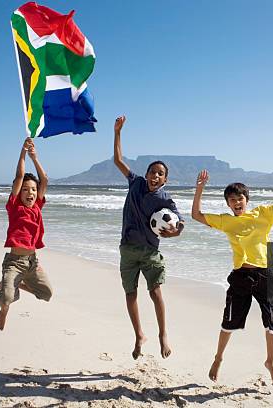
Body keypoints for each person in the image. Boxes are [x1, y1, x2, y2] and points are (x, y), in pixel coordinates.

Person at [191, 167, 273, 385]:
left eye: (239, 198)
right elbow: (196, 215)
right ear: (228, 204)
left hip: (264, 275)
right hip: (241, 276)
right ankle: (218, 357)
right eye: (232, 200)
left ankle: (270, 362)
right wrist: (200, 189)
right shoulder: (225, 221)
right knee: (229, 321)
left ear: (246, 199)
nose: (236, 202)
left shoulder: (263, 213)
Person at [113, 115, 185, 359]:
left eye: (160, 174)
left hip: (150, 252)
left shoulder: (165, 199)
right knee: (130, 294)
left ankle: (163, 334)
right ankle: (139, 334)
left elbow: (179, 223)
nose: (155, 176)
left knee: (155, 293)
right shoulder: (135, 183)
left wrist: (175, 232)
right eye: (152, 172)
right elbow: (118, 160)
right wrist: (118, 132)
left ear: (165, 179)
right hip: (128, 249)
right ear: (146, 174)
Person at [0, 138, 52, 331]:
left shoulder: (38, 205)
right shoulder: (14, 207)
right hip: (14, 261)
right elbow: (19, 176)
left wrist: (35, 157)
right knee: (7, 299)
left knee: (46, 294)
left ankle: (15, 284)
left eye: (33, 190)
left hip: (32, 262)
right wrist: (22, 153)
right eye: (26, 190)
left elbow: (44, 179)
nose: (31, 192)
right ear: (18, 193)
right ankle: (6, 302)